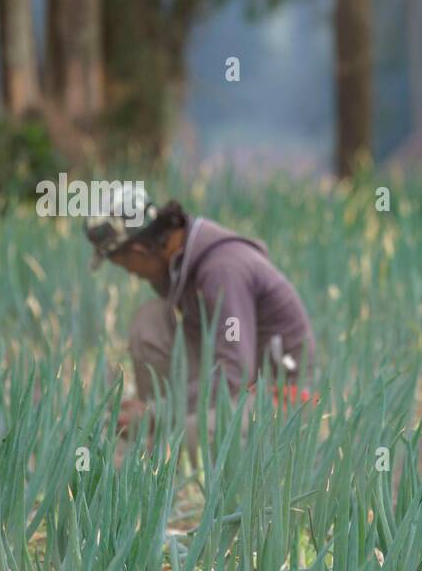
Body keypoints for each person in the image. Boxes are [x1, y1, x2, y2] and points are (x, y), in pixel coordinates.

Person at [84, 188, 317, 448]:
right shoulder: (182, 257)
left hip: (277, 395)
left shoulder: (223, 272)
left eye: (126, 266)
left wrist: (155, 414)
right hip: (237, 381)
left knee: (191, 436)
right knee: (150, 321)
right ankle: (155, 440)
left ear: (139, 251)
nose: (133, 274)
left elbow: (234, 374)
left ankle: (160, 447)